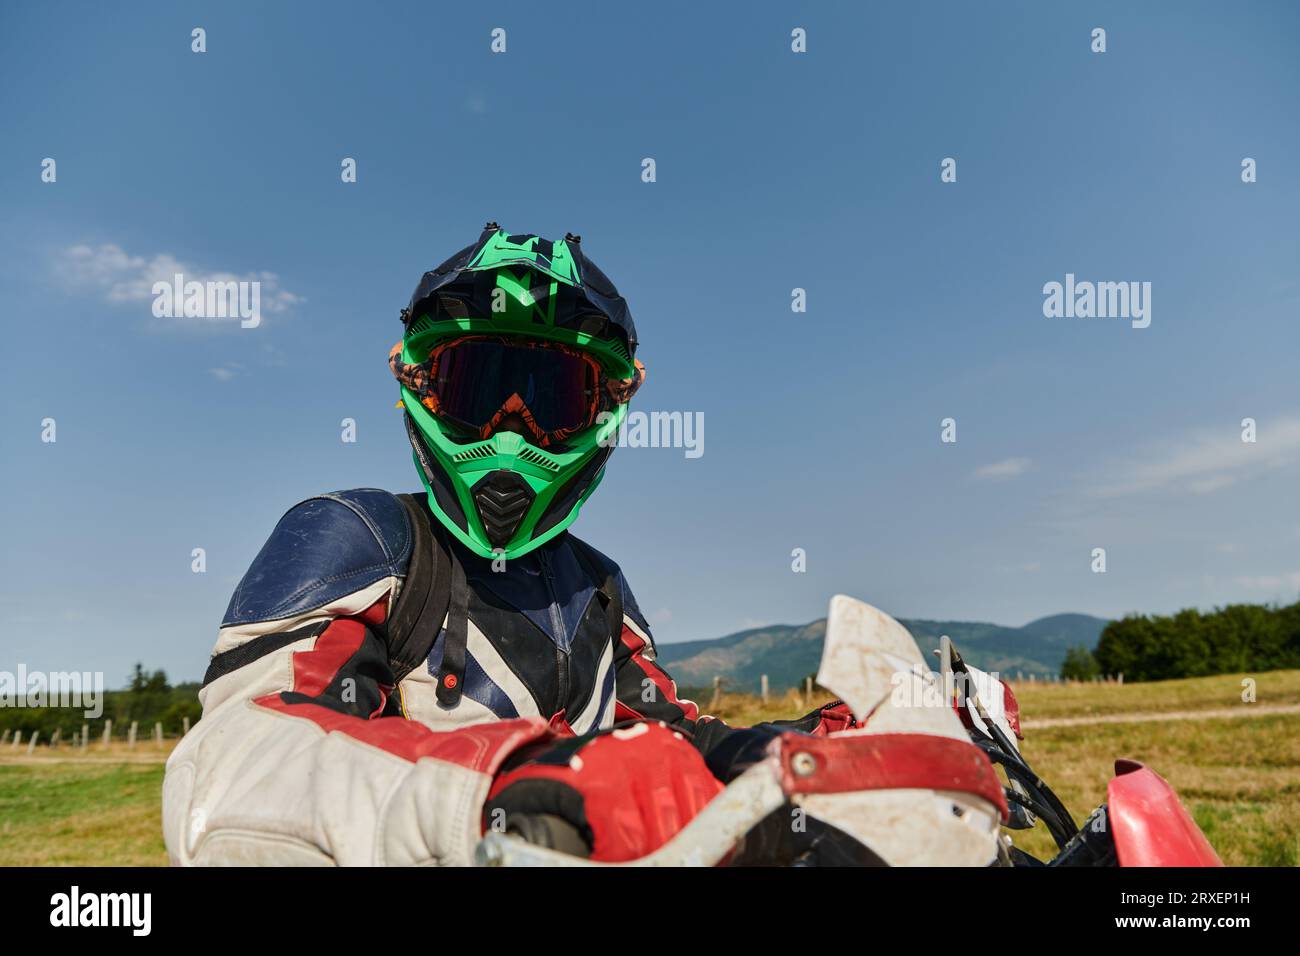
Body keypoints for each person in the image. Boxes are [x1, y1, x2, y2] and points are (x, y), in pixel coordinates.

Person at [161, 224, 882, 866]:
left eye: (551, 395)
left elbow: (667, 741)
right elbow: (245, 759)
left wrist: (831, 747)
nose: (512, 431)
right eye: (480, 385)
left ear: (604, 408)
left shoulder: (599, 587)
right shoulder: (359, 538)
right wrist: (508, 789)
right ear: (418, 383)